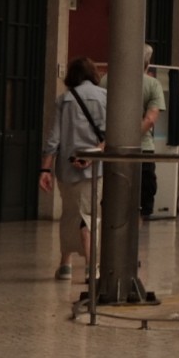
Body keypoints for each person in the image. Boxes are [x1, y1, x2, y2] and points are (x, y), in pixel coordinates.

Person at [42, 57, 110, 281]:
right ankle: (92, 267)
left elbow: (53, 138)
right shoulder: (105, 97)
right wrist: (94, 154)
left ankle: (65, 264)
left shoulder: (64, 100)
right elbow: (112, 134)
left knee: (69, 214)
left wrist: (45, 170)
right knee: (89, 216)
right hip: (95, 169)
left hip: (67, 170)